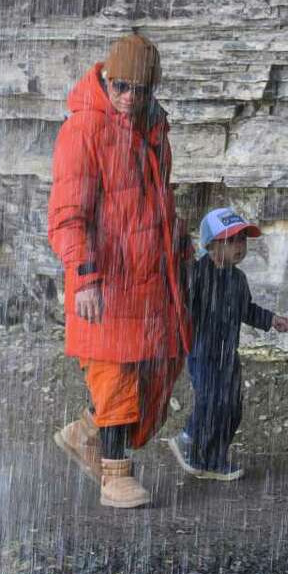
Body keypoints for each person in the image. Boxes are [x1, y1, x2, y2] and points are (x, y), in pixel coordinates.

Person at [47, 31, 191, 509]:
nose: (129, 98)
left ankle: (85, 434)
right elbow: (67, 214)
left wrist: (180, 250)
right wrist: (85, 276)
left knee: (155, 381)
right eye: (121, 86)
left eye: (141, 90)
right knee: (116, 379)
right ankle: (115, 477)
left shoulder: (153, 127)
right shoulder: (83, 130)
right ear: (107, 79)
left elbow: (156, 202)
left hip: (149, 279)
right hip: (105, 283)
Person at [169, 207, 288, 481]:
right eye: (231, 240)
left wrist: (271, 319)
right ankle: (188, 439)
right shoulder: (196, 274)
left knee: (231, 406)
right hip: (202, 352)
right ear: (211, 245)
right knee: (211, 399)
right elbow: (179, 305)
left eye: (242, 240)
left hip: (228, 355)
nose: (239, 246)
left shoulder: (238, 280)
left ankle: (213, 459)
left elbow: (246, 309)